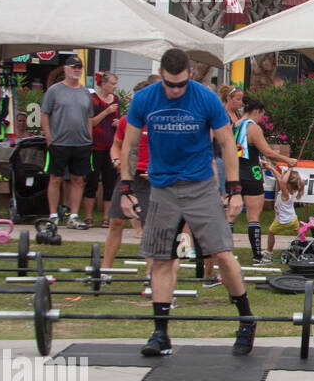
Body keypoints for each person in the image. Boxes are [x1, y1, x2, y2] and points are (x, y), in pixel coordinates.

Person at [119, 49, 253, 357]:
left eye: (180, 85)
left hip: (200, 185)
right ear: (162, 76)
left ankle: (246, 321)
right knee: (162, 260)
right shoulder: (145, 100)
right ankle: (160, 333)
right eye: (169, 84)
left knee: (222, 254)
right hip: (162, 187)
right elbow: (129, 143)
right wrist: (126, 187)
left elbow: (227, 144)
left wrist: (234, 190)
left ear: (189, 75)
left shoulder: (204, 99)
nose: (175, 90)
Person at [100, 77, 156, 278]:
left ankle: (151, 272)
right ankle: (105, 270)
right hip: (128, 177)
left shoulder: (160, 122)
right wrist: (115, 159)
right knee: (116, 222)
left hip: (151, 180)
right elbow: (116, 144)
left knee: (150, 227)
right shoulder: (127, 120)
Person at [233, 95, 298, 265]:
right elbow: (268, 152)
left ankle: (226, 253)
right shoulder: (253, 128)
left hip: (234, 171)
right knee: (253, 216)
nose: (262, 118)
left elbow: (242, 150)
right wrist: (288, 160)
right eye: (262, 115)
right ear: (257, 111)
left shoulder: (236, 124)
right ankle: (257, 256)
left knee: (231, 215)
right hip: (251, 174)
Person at [41, 55, 94, 230]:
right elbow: (45, 113)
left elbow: (89, 117)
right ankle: (53, 215)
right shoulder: (54, 91)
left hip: (81, 143)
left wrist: (89, 137)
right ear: (65, 69)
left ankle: (73, 215)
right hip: (59, 142)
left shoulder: (85, 92)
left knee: (78, 179)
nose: (77, 70)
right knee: (55, 178)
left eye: (79, 67)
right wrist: (49, 136)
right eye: (73, 67)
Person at [82, 71, 121, 227]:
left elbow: (117, 117)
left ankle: (107, 216)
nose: (114, 87)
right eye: (112, 83)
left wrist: (118, 122)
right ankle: (89, 216)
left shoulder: (116, 100)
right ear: (103, 84)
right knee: (92, 180)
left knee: (109, 181)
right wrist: (106, 112)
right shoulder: (93, 100)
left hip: (110, 145)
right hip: (95, 145)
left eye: (115, 84)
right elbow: (90, 122)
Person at [266, 168, 304, 260]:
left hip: (282, 221)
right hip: (293, 219)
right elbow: (280, 178)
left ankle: (269, 252)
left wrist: (290, 170)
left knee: (271, 233)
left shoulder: (285, 193)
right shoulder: (289, 192)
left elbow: (282, 182)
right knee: (299, 232)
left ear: (288, 183)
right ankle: (304, 246)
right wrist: (270, 167)